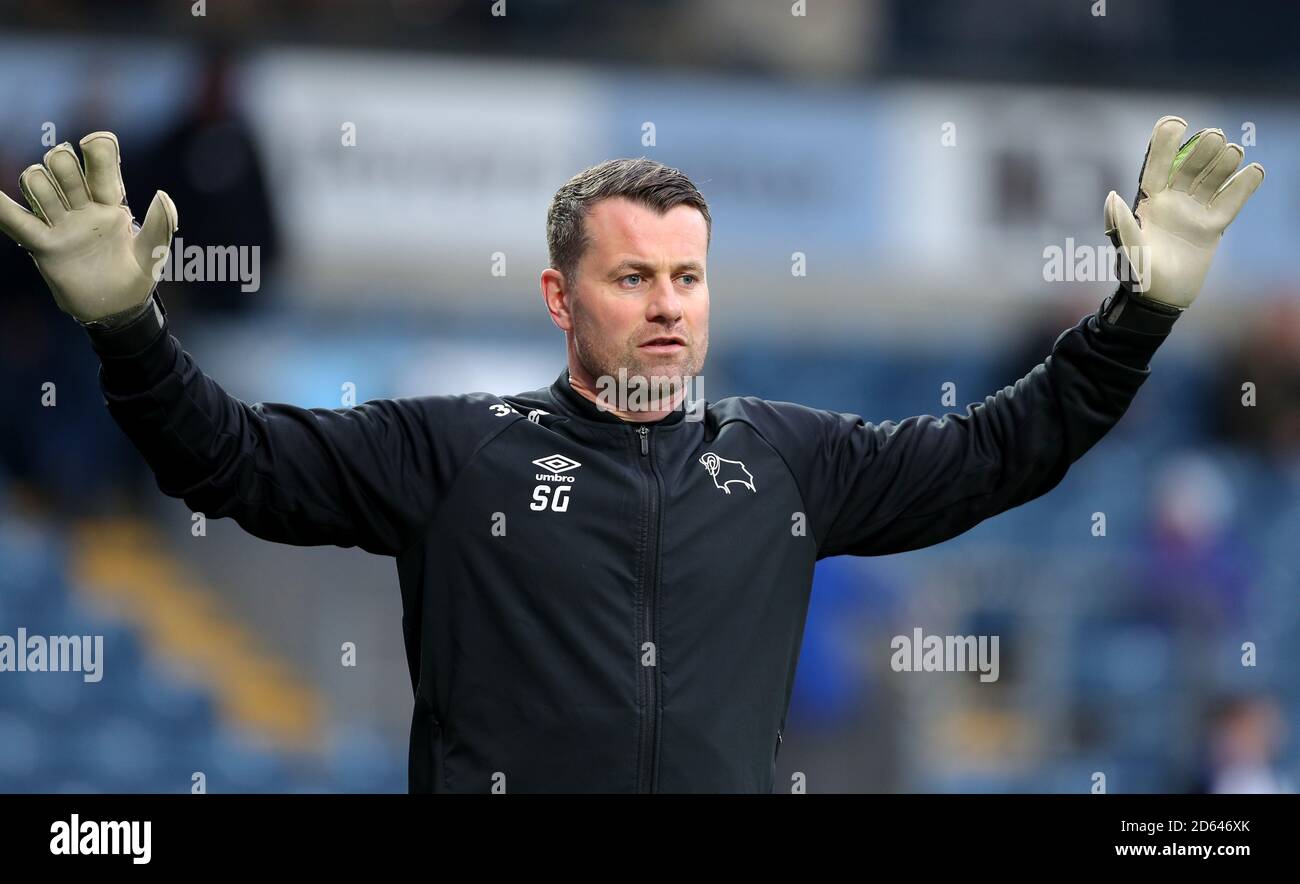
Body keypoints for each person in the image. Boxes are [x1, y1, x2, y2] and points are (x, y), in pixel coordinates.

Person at [0, 118, 1264, 793]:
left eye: (688, 277)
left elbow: (1004, 451)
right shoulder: (450, 449)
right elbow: (228, 463)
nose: (667, 303)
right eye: (631, 277)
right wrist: (126, 328)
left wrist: (1138, 315)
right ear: (559, 296)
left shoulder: (787, 459)